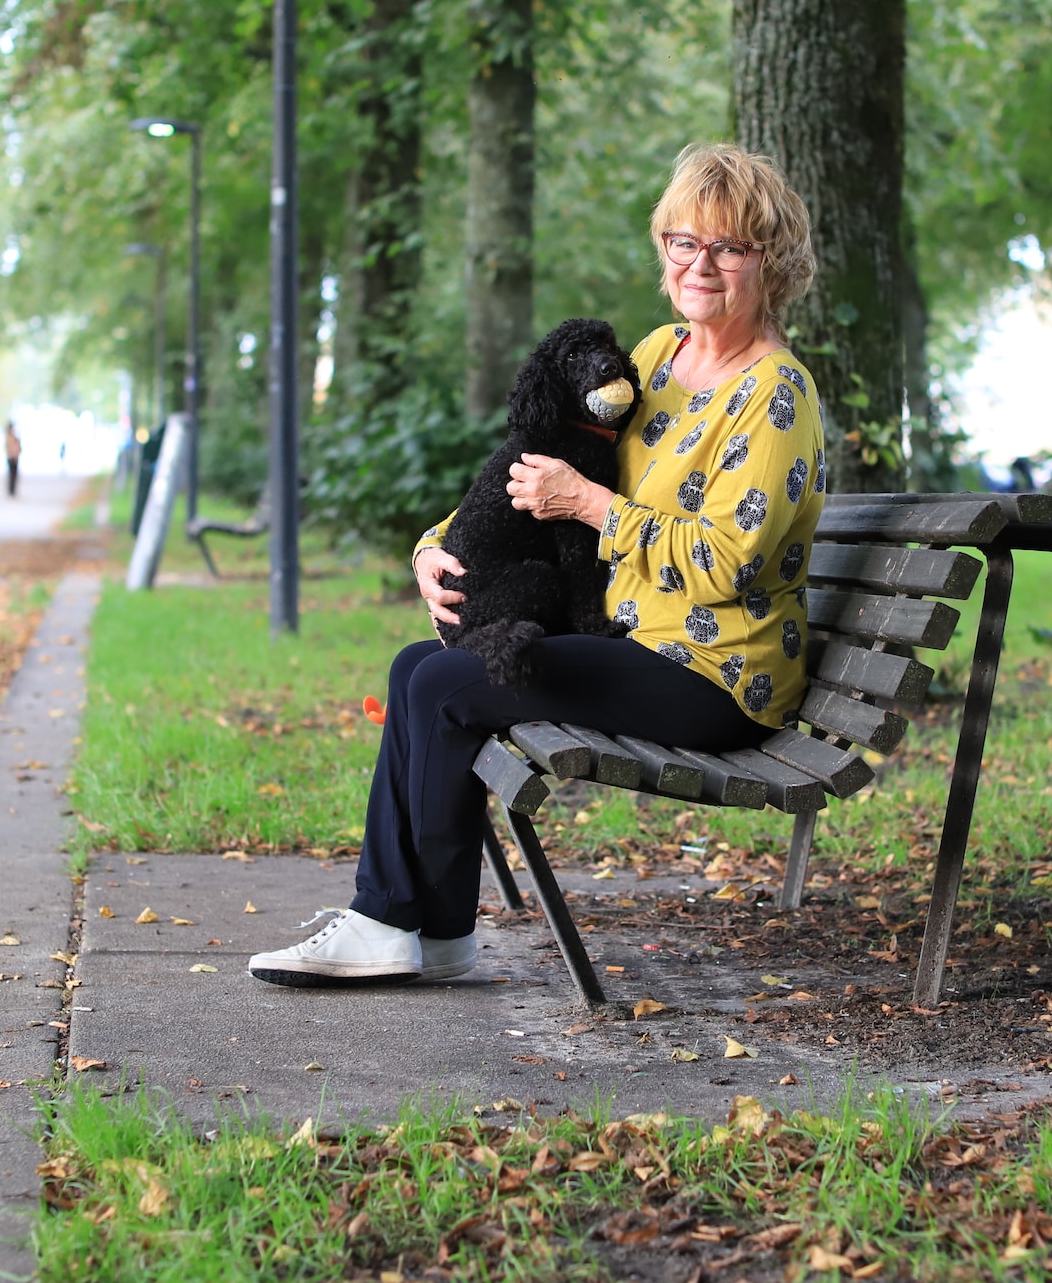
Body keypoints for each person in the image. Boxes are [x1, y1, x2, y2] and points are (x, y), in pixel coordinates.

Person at [250, 143, 827, 986]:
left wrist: (592, 507)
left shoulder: (775, 395)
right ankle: (436, 934)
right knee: (416, 666)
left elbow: (728, 564)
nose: (700, 265)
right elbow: (541, 460)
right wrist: (436, 544)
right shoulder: (659, 356)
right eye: (683, 241)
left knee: (445, 684)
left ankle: (388, 919)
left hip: (714, 672)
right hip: (632, 638)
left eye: (729, 247)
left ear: (772, 262)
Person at [3, 420, 21, 498]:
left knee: (14, 474)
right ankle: (11, 490)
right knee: (12, 474)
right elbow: (9, 447)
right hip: (11, 457)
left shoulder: (13, 436)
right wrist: (12, 455)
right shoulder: (9, 436)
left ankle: (12, 490)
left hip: (14, 457)